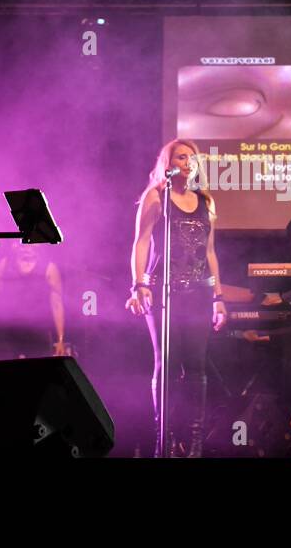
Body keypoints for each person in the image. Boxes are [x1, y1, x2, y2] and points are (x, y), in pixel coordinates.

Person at [125, 139, 227, 457]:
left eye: (192, 157)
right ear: (168, 163)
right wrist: (138, 285)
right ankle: (164, 441)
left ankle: (194, 445)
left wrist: (218, 297)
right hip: (164, 293)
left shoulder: (205, 201)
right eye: (181, 156)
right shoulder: (157, 197)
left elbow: (210, 252)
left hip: (199, 293)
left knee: (196, 367)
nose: (188, 161)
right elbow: (141, 243)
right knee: (166, 363)